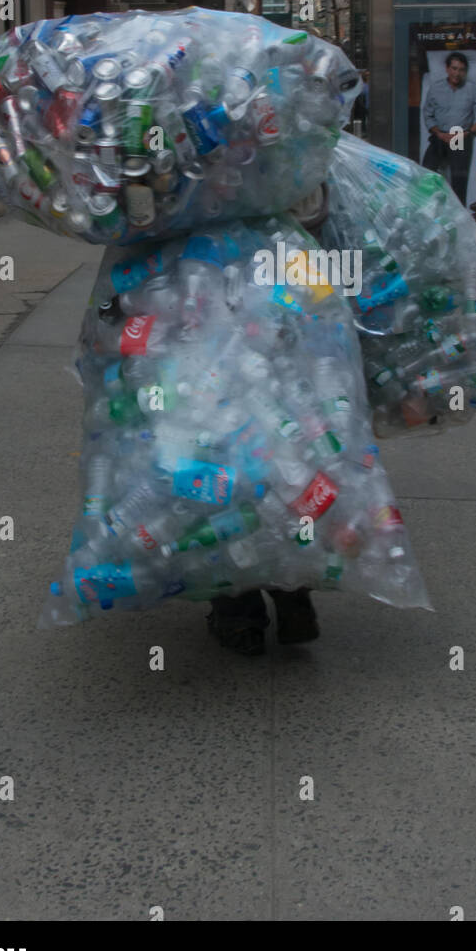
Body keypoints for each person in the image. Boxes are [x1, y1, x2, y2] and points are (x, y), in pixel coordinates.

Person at [205, 183, 330, 656]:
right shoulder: (295, 155)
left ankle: (239, 613)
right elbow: (317, 211)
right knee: (285, 459)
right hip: (283, 302)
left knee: (218, 458)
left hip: (208, 311)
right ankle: (293, 594)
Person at [422, 51, 476, 204]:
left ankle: (459, 212)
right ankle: (429, 206)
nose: (457, 73)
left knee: (459, 178)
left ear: (465, 72)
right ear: (447, 69)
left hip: (460, 136)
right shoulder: (436, 88)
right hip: (440, 135)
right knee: (427, 171)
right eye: (454, 68)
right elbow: (428, 114)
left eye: (461, 70)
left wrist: (467, 133)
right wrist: (438, 133)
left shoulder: (473, 89)